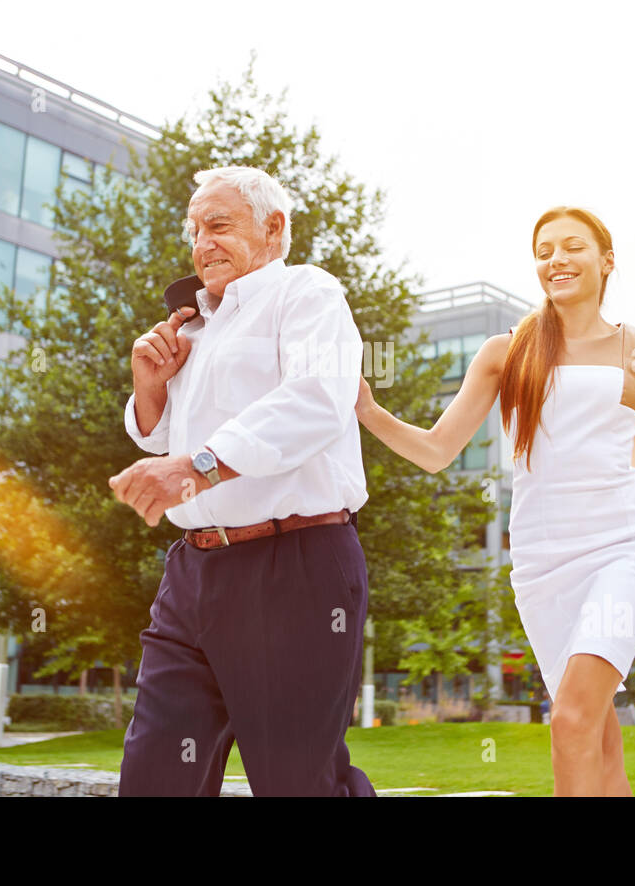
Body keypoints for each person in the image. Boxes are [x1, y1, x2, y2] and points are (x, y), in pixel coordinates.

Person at [355, 206, 635, 795]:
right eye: (544, 251)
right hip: (542, 563)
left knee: (568, 721)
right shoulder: (506, 351)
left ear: (606, 260)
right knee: (599, 742)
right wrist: (368, 409)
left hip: (626, 547)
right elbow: (438, 450)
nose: (556, 259)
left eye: (573, 247)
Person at [108, 165, 375, 796]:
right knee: (154, 781)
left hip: (296, 565)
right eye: (194, 230)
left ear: (274, 228)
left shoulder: (308, 295)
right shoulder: (192, 327)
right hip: (193, 574)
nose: (202, 243)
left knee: (295, 783)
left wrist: (194, 467)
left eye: (219, 225)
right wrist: (149, 390)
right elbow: (162, 436)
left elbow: (315, 401)